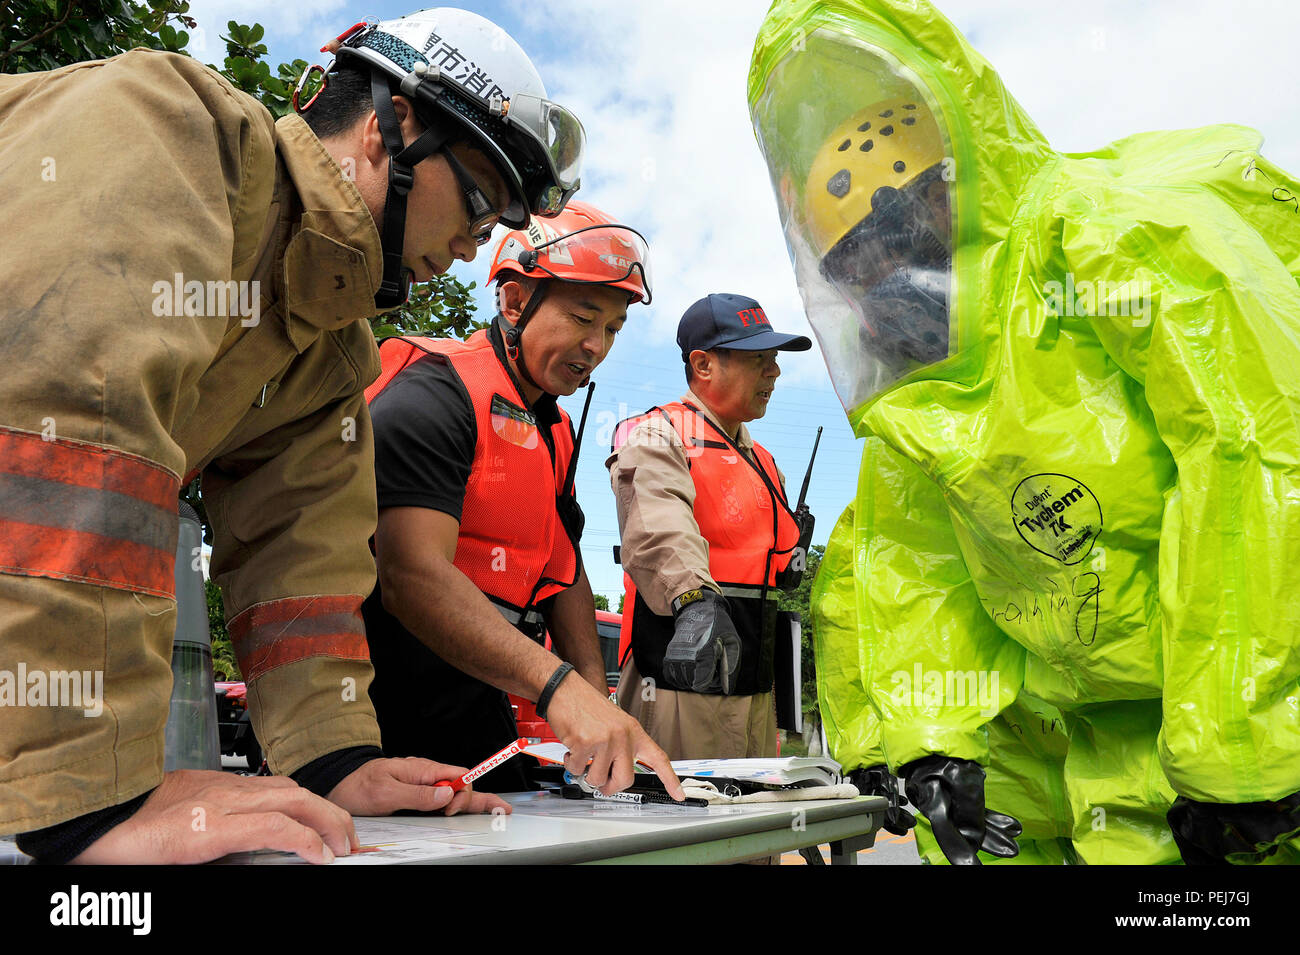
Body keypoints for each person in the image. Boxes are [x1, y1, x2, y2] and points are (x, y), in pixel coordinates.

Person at [0, 7, 583, 864]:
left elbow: (300, 559)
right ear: (398, 123)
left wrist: (333, 758)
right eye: (475, 201)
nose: (469, 250)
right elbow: (70, 424)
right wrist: (86, 800)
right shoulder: (169, 133)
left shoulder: (324, 349)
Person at [747, 0, 1300, 864]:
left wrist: (1247, 740)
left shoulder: (1105, 240)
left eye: (898, 238)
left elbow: (1253, 445)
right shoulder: (923, 392)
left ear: (954, 192)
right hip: (1114, 735)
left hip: (1254, 706)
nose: (885, 283)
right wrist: (931, 738)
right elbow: (911, 562)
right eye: (855, 265)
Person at [363, 201, 684, 799]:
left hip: (477, 703)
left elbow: (565, 570)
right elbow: (409, 575)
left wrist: (595, 698)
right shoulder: (434, 396)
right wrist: (560, 688)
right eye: (583, 318)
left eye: (613, 329)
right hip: (380, 705)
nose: (596, 346)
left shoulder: (552, 430)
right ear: (514, 302)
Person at [609, 292, 811, 762]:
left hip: (755, 685)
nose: (774, 372)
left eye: (775, 360)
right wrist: (695, 601)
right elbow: (659, 529)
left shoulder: (764, 461)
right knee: (683, 824)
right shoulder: (660, 434)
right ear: (703, 365)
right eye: (759, 358)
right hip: (680, 679)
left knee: (755, 823)